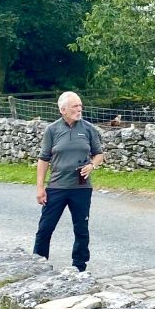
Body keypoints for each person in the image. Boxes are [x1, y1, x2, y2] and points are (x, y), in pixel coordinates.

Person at [33, 91, 105, 272]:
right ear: (63, 110)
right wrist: (40, 188)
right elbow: (43, 159)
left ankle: (79, 267)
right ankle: (37, 264)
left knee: (81, 228)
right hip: (57, 187)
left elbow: (99, 155)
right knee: (45, 228)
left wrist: (92, 166)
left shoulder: (88, 129)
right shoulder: (52, 130)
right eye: (75, 106)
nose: (79, 109)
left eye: (80, 105)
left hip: (81, 188)